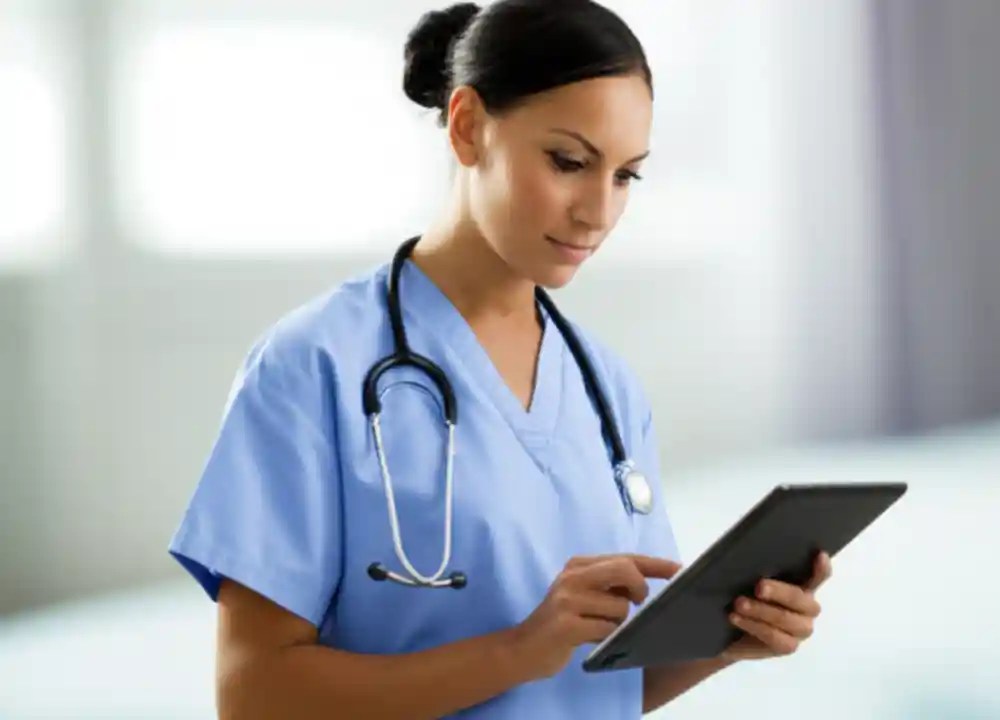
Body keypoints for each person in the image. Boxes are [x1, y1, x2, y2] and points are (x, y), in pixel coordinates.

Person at [168, 1, 832, 717]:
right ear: (467, 126)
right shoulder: (311, 366)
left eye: (625, 176)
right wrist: (516, 652)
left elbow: (605, 683)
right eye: (569, 162)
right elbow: (253, 696)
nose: (598, 212)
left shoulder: (606, 388)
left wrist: (729, 639)